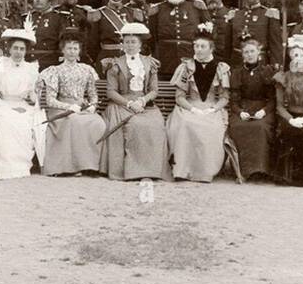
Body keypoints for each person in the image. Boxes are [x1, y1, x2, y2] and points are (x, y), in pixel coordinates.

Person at [101, 22, 171, 181]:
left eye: (133, 42)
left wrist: (142, 101)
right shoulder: (115, 64)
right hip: (121, 104)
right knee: (135, 126)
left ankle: (151, 170)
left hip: (144, 104)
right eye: (127, 42)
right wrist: (129, 104)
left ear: (140, 44)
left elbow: (154, 90)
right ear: (122, 44)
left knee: (155, 125)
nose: (130, 45)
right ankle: (132, 171)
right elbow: (111, 91)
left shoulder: (150, 63)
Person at [165, 27, 231, 182]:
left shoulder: (220, 67)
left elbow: (224, 97)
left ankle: (204, 172)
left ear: (211, 48)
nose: (199, 50)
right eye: (196, 46)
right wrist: (192, 108)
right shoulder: (186, 67)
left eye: (203, 46)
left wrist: (213, 108)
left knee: (213, 127)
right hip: (190, 105)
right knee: (185, 123)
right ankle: (182, 170)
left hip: (211, 107)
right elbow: (179, 97)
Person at [0, 26, 45, 179]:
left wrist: (38, 92)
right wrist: (10, 109)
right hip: (1, 105)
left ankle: (21, 168)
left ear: (26, 51)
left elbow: (32, 97)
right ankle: (6, 169)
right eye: (15, 48)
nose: (18, 52)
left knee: (28, 123)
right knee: (7, 123)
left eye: (22, 49)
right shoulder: (0, 67)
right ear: (9, 49)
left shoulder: (31, 69)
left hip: (22, 106)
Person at [39, 28, 105, 176]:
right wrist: (69, 106)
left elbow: (93, 94)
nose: (72, 52)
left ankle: (91, 165)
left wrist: (92, 106)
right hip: (61, 108)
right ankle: (71, 166)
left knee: (98, 123)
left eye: (75, 48)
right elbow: (50, 99)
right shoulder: (55, 71)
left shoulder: (87, 69)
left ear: (80, 51)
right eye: (69, 48)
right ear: (62, 50)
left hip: (82, 107)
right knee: (74, 121)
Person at [273, 35, 303, 186]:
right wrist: (290, 119)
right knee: (287, 133)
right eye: (295, 55)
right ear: (290, 56)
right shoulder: (283, 78)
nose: (298, 58)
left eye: (302, 55)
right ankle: (285, 177)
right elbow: (279, 105)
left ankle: (302, 179)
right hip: (289, 116)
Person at [145, 0, 206, 82]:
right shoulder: (156, 10)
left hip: (191, 64)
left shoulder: (197, 7)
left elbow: (208, 35)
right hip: (163, 64)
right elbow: (150, 39)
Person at [228, 34, 277, 179]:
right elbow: (234, 100)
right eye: (246, 52)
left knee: (260, 127)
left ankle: (260, 169)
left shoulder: (267, 71)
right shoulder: (237, 73)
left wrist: (264, 111)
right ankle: (241, 170)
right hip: (243, 108)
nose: (249, 55)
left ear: (258, 53)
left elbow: (273, 99)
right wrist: (239, 112)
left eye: (252, 51)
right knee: (237, 126)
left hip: (264, 109)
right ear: (242, 55)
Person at [226, 0, 282, 68]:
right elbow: (227, 48)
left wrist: (276, 68)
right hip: (237, 67)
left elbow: (276, 47)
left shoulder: (269, 15)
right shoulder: (234, 15)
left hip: (260, 67)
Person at [26, 0, 65, 70]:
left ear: (49, 0)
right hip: (28, 64)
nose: (38, 0)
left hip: (49, 64)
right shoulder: (27, 17)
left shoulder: (57, 18)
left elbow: (62, 42)